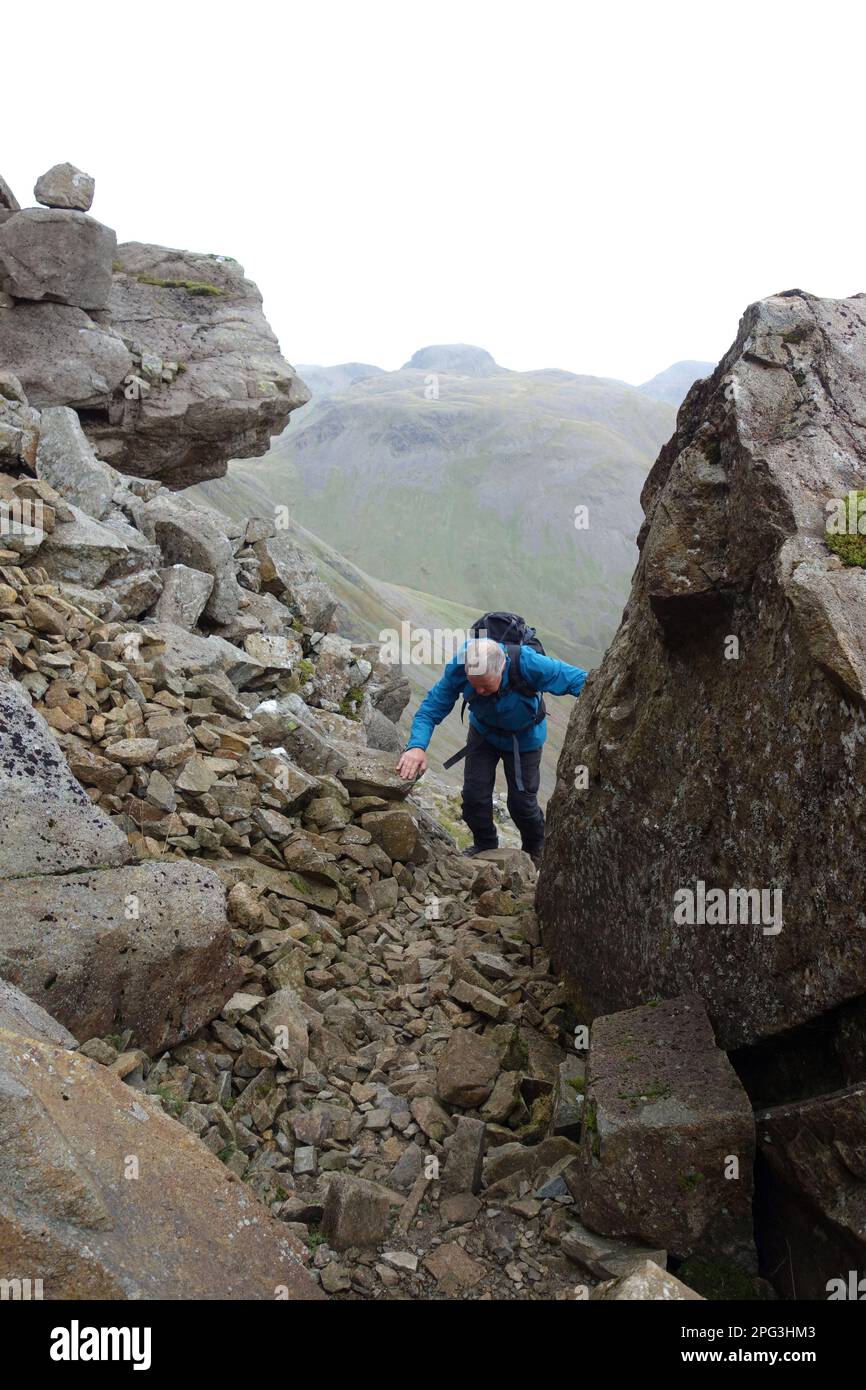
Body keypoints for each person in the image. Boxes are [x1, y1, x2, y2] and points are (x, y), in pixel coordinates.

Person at [396, 636, 587, 865]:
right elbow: (430, 709)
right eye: (474, 684)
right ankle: (485, 845)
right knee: (474, 797)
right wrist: (416, 746)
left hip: (524, 741)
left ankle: (536, 850)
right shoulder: (460, 667)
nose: (479, 690)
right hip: (483, 734)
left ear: (503, 666)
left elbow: (581, 681)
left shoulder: (528, 664)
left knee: (522, 805)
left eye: (486, 685)